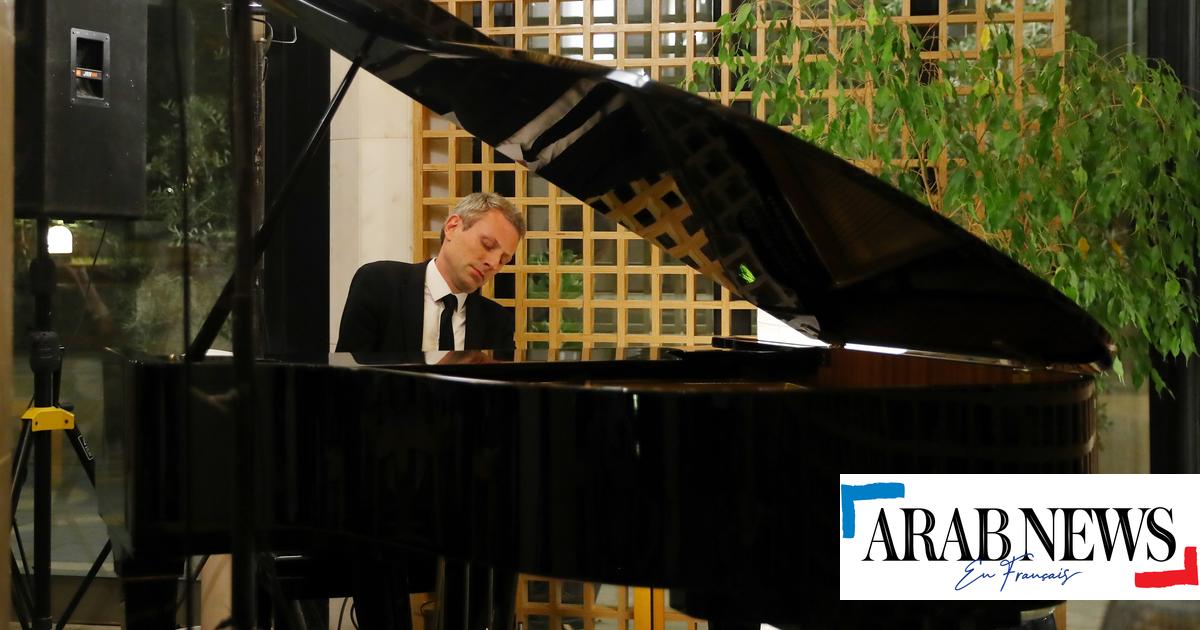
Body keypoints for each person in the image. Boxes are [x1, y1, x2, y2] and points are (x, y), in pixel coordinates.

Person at [337, 192, 526, 354]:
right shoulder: (379, 284)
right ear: (452, 227)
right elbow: (347, 379)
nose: (492, 263)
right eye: (487, 244)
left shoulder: (497, 322)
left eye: (503, 260)